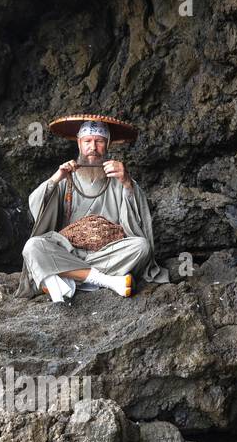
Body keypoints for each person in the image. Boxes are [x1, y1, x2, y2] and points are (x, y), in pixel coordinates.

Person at [20, 115, 169, 303]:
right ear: (79, 145)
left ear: (107, 145)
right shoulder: (66, 178)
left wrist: (127, 183)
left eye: (99, 141)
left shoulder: (120, 179)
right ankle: (106, 281)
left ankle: (63, 276)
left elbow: (138, 224)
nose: (93, 147)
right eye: (87, 141)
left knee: (141, 247)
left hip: (106, 254)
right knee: (33, 246)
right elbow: (35, 206)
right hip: (67, 251)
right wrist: (55, 179)